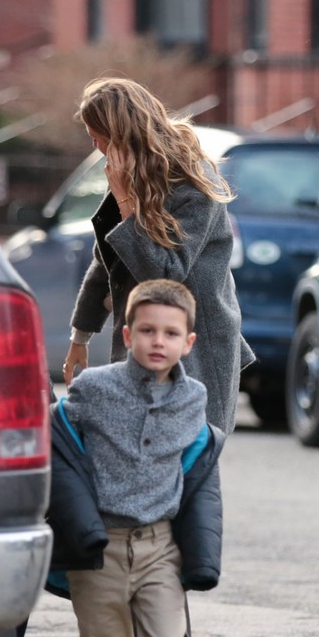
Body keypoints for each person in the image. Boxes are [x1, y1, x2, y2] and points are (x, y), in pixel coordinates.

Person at [46, 279, 225, 637]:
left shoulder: (194, 399)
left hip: (159, 548)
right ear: (125, 335)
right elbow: (57, 439)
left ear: (189, 342)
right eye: (146, 330)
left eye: (170, 333)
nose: (157, 341)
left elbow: (199, 465)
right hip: (97, 551)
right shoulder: (94, 388)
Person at [64, 76, 253, 437]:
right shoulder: (129, 176)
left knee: (188, 466)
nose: (94, 143)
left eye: (97, 134)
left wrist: (125, 203)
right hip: (145, 345)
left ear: (119, 134)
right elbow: (106, 263)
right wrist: (80, 338)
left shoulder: (194, 186)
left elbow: (164, 273)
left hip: (192, 348)